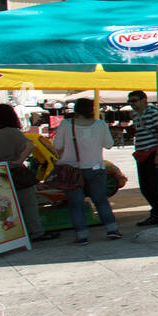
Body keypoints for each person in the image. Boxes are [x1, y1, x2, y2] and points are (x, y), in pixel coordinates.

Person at [0, 103, 58, 243]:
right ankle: (36, 232)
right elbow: (30, 145)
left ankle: (3, 236)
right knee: (28, 203)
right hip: (12, 173)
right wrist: (18, 161)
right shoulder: (11, 132)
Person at [53, 99, 122, 244]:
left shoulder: (66, 125)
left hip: (71, 170)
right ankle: (112, 230)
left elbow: (57, 145)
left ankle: (82, 236)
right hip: (95, 168)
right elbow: (109, 144)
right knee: (101, 200)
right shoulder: (100, 125)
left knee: (76, 204)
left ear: (75, 110)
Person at [127, 91, 158, 226]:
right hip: (142, 154)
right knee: (145, 186)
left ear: (144, 100)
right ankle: (157, 213)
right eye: (130, 101)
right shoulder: (136, 115)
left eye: (134, 101)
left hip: (153, 153)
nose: (132, 104)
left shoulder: (154, 113)